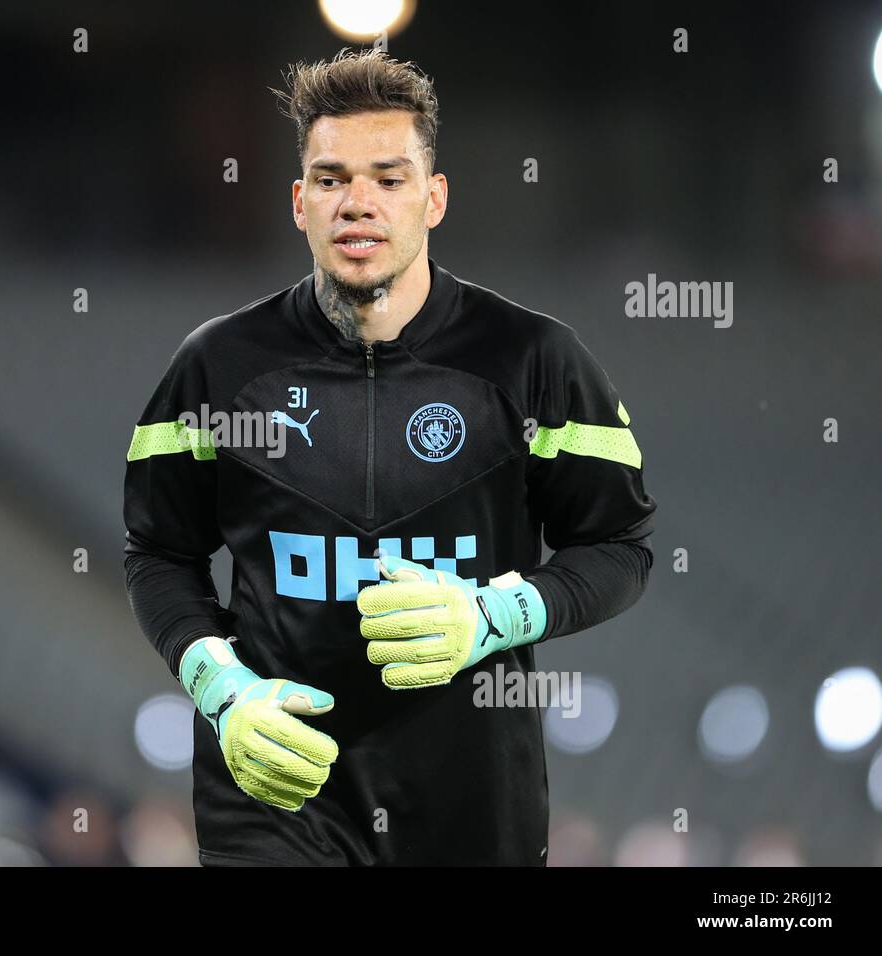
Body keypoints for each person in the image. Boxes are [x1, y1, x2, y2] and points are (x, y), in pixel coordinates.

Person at [123, 48, 656, 866]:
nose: (357, 203)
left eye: (389, 177)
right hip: (274, 804)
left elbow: (619, 546)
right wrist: (223, 693)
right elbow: (159, 554)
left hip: (474, 814)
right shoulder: (216, 368)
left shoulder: (535, 361)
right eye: (332, 179)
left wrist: (490, 619)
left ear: (433, 199)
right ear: (299, 203)